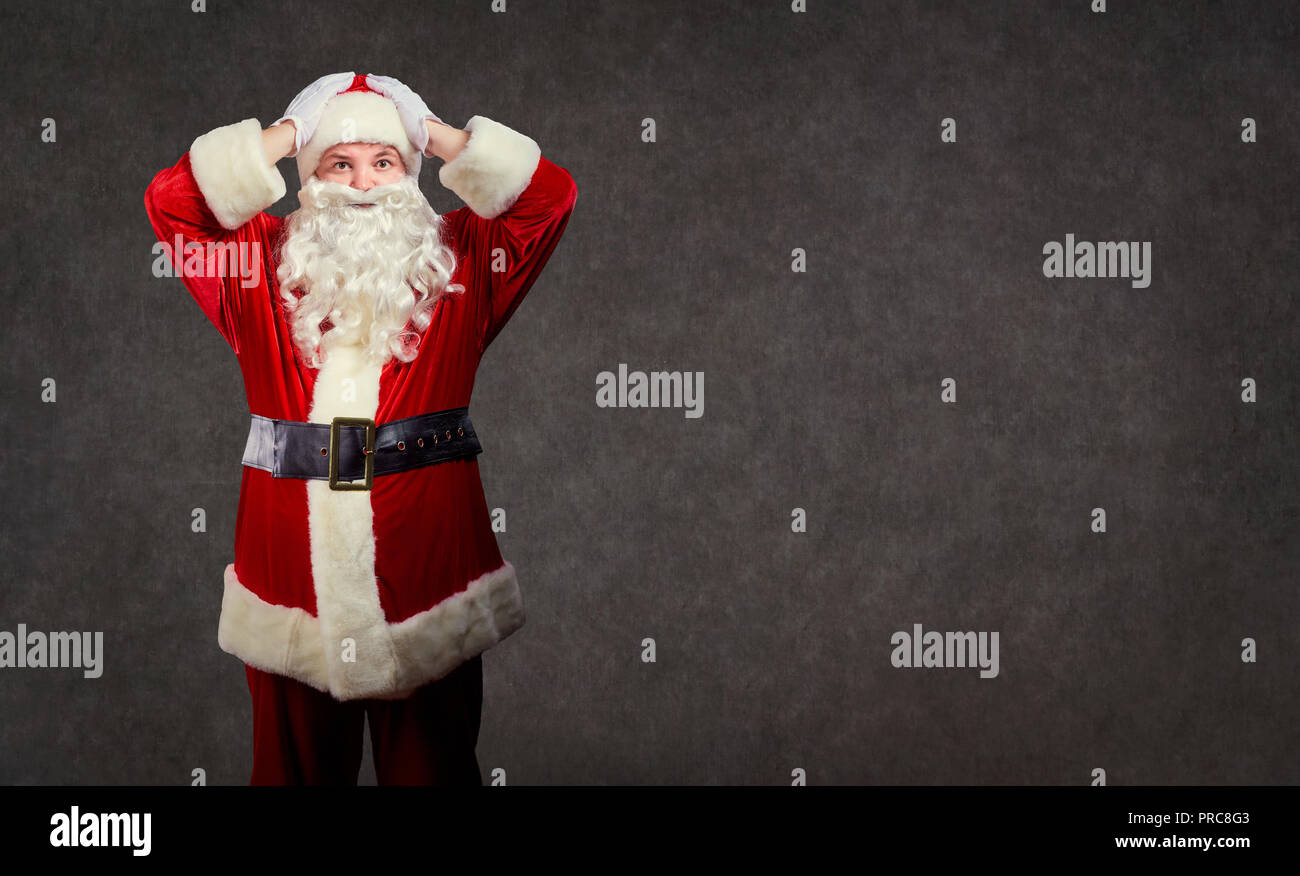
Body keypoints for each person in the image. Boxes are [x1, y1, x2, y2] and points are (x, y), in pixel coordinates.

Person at [143, 72, 577, 785]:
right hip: (291, 580)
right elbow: (173, 205)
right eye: (338, 162)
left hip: (429, 573)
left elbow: (548, 198)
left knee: (433, 775)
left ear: (411, 175)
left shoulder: (460, 262)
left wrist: (434, 131)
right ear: (308, 178)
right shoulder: (255, 263)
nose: (365, 182)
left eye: (385, 161)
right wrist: (286, 134)